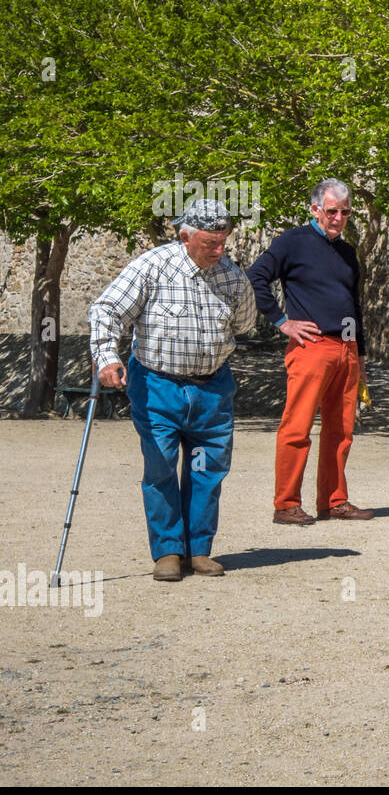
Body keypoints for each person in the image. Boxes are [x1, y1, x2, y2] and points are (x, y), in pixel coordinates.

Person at [90, 199, 257, 581]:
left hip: (212, 390)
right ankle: (167, 550)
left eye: (223, 242)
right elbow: (106, 310)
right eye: (209, 243)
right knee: (161, 467)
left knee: (205, 470)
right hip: (157, 387)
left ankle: (198, 549)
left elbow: (245, 323)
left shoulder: (232, 277)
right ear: (185, 236)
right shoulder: (153, 266)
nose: (219, 250)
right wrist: (105, 358)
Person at [247, 178, 372, 525]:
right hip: (311, 347)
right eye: (332, 211)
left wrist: (360, 355)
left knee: (341, 430)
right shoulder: (293, 241)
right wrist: (282, 322)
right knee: (297, 427)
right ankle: (286, 503)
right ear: (315, 209)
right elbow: (256, 277)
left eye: (345, 212)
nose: (338, 218)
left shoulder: (347, 252)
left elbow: (353, 304)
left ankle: (334, 501)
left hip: (345, 347)